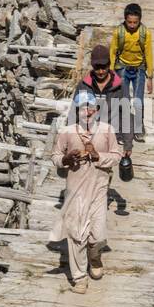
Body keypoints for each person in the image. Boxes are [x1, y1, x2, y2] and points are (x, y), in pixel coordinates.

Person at [50, 90, 121, 293]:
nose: (87, 112)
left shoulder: (107, 130)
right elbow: (55, 156)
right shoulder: (67, 132)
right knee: (76, 234)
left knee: (97, 235)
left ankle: (94, 255)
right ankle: (80, 278)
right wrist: (66, 160)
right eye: (82, 108)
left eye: (90, 108)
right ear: (77, 111)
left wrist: (98, 156)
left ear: (97, 110)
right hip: (75, 189)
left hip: (99, 188)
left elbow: (116, 156)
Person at [74, 44, 134, 178]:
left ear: (109, 64)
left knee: (103, 176)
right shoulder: (84, 86)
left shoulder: (120, 86)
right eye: (97, 67)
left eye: (104, 67)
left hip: (111, 138)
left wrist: (128, 143)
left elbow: (126, 115)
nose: (101, 71)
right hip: (87, 138)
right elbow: (74, 113)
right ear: (92, 66)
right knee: (85, 175)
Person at [109, 2, 154, 148]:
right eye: (130, 22)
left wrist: (150, 76)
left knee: (138, 101)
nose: (133, 25)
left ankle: (138, 128)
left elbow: (148, 54)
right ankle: (121, 131)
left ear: (140, 20)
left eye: (136, 22)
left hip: (139, 69)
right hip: (122, 68)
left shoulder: (145, 33)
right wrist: (110, 73)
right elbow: (112, 52)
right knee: (124, 100)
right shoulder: (119, 32)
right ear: (125, 19)